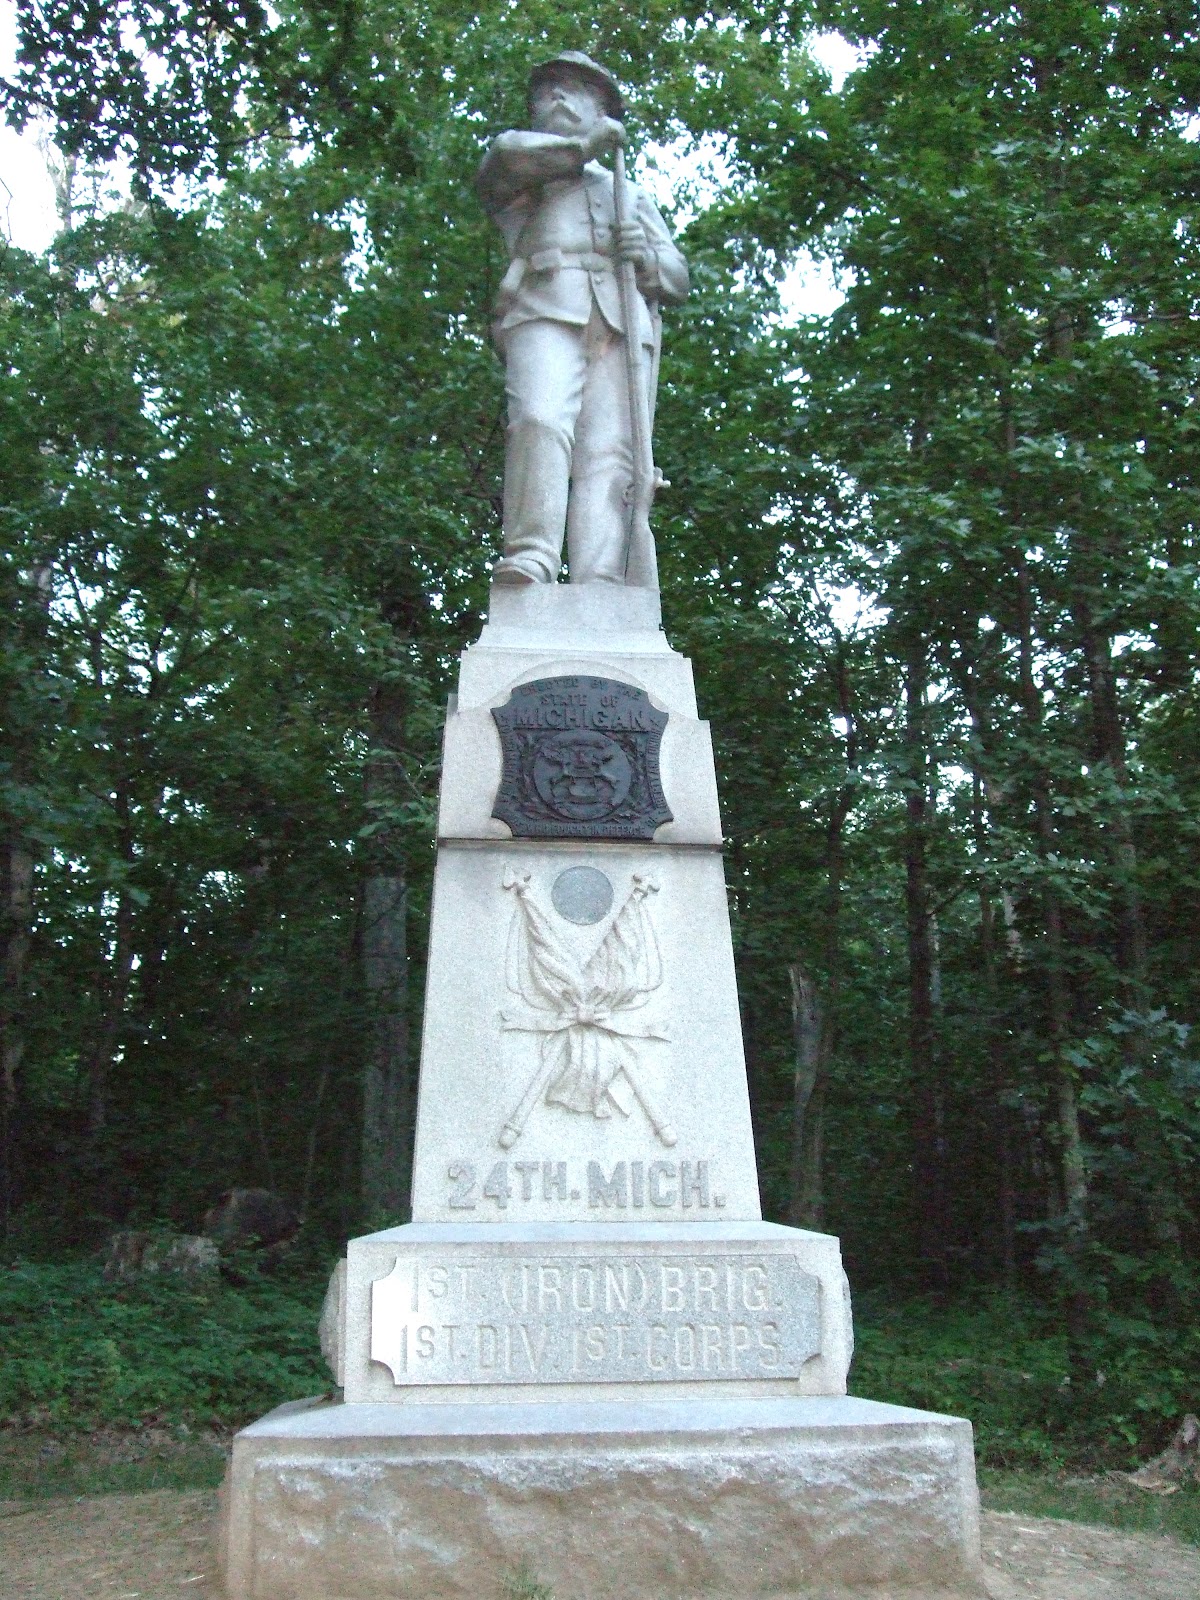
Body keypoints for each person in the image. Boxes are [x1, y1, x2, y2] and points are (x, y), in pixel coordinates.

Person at [476, 52, 689, 586]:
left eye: (575, 91)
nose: (559, 99)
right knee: (539, 421)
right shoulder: (523, 170)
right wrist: (583, 148)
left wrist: (646, 258)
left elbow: (678, 278)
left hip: (621, 324)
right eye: (548, 92)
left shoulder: (629, 193)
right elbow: (505, 159)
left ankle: (601, 579)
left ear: (602, 108)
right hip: (547, 305)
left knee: (610, 457)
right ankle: (531, 554)